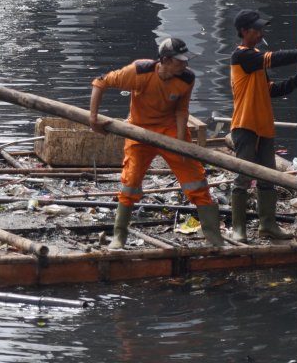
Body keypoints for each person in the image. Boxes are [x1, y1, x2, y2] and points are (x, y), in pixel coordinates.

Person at [89, 36, 225, 249]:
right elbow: (100, 82)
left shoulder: (186, 79)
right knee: (130, 182)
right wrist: (93, 118)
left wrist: (181, 142)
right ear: (165, 60)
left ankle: (214, 239)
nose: (185, 64)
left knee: (196, 181)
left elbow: (181, 109)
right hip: (138, 130)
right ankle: (119, 236)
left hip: (169, 130)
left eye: (186, 60)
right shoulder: (139, 71)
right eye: (180, 61)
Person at [230, 8, 297, 243]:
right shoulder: (242, 56)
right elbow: (276, 57)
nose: (260, 33)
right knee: (243, 177)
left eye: (261, 29)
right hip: (245, 125)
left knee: (268, 178)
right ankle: (239, 228)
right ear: (244, 32)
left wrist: (295, 81)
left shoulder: (256, 60)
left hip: (264, 126)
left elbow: (271, 91)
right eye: (256, 30)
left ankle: (268, 225)